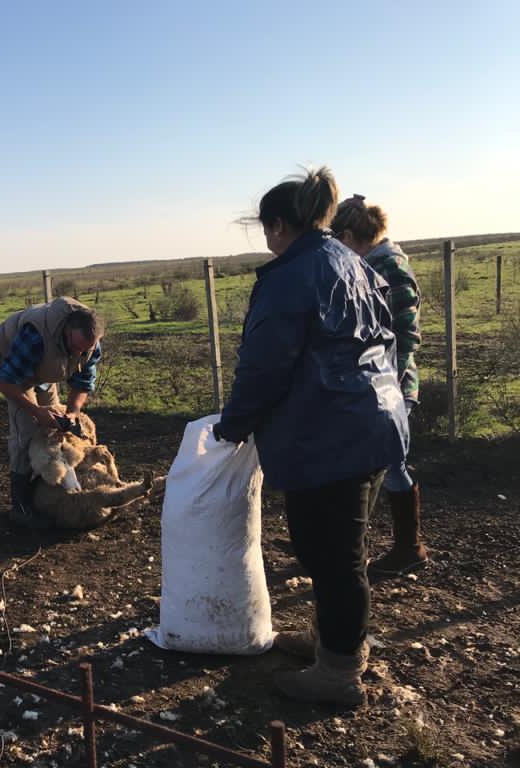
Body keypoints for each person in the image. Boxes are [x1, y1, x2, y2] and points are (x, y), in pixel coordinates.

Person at [213, 167, 408, 706]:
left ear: (279, 225)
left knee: (331, 555)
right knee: (342, 548)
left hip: (329, 435)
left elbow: (264, 364)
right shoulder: (353, 261)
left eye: (266, 230)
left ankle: (339, 672)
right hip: (371, 423)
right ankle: (335, 644)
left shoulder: (291, 277)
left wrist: (233, 425)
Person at [331, 195, 428, 576]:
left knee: (391, 463)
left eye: (338, 238)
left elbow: (407, 336)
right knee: (373, 463)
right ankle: (354, 543)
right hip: (377, 384)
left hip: (392, 388)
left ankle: (410, 548)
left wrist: (389, 385)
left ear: (352, 235)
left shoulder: (391, 268)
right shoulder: (372, 264)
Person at [0, 297, 104, 528]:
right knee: (27, 431)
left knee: (55, 429)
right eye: (75, 347)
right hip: (11, 367)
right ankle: (20, 507)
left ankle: (47, 494)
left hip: (45, 369)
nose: (78, 353)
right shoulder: (35, 336)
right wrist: (36, 411)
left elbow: (83, 382)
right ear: (67, 329)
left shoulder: (89, 344)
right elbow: (5, 383)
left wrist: (72, 413)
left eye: (84, 350)